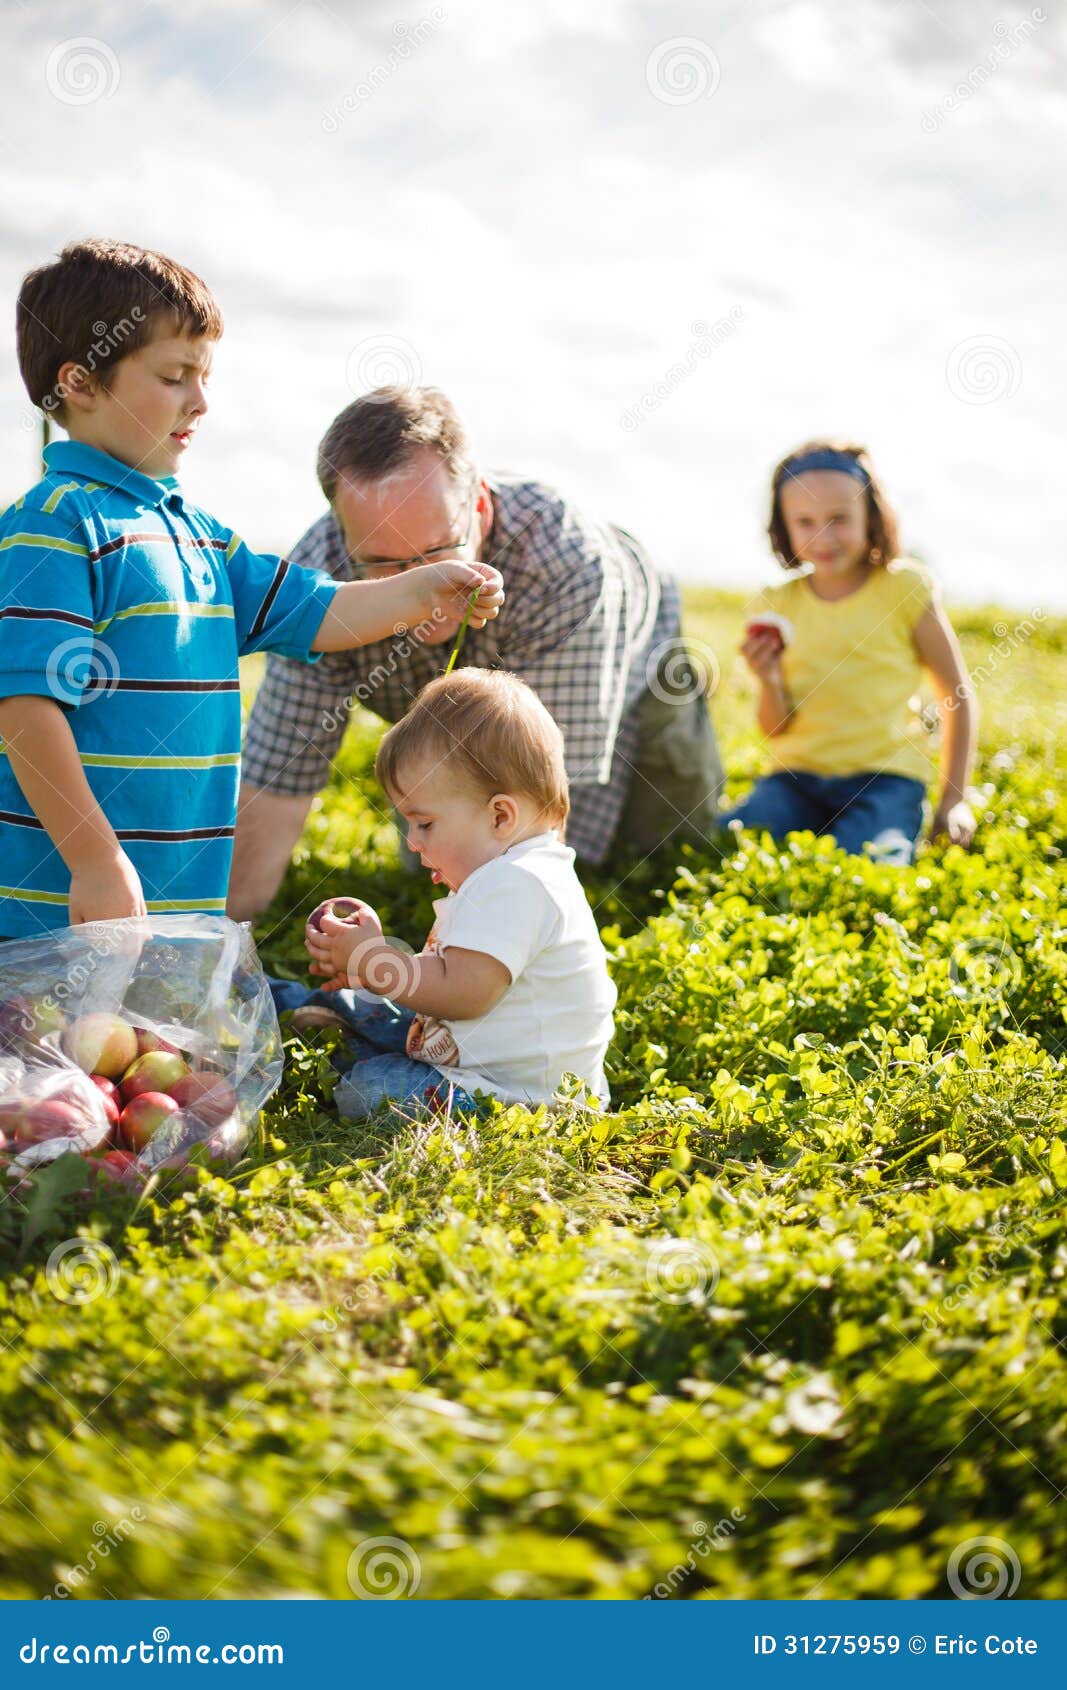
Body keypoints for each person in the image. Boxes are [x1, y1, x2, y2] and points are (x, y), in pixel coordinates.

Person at [0, 241, 502, 940]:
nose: (200, 401)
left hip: (177, 904)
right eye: (176, 376)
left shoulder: (199, 535)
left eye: (203, 377)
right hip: (61, 903)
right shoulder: (54, 524)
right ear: (80, 384)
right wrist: (93, 856)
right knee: (53, 1047)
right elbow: (24, 709)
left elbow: (320, 610)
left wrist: (424, 588)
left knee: (153, 1048)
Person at [228, 386, 723, 920]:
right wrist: (223, 939)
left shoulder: (565, 563)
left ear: (480, 506)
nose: (418, 588)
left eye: (437, 552)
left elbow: (544, 804)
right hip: (445, 703)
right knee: (436, 857)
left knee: (661, 847)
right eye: (382, 564)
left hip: (632, 658)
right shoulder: (320, 578)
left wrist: (486, 955)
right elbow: (276, 778)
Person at [297, 669, 617, 1120]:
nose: (412, 840)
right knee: (366, 1009)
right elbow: (451, 974)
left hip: (516, 1099)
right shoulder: (513, 871)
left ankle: (326, 1044)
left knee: (368, 1088)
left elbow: (465, 993)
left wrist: (374, 962)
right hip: (465, 1053)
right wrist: (371, 966)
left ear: (500, 817)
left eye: (424, 823)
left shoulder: (518, 882)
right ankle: (309, 1012)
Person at [720, 441, 977, 864]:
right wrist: (767, 679)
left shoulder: (905, 589)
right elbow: (774, 728)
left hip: (885, 780)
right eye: (805, 521)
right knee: (733, 848)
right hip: (795, 778)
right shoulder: (775, 604)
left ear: (871, 517)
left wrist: (954, 800)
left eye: (839, 519)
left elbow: (957, 695)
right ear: (784, 528)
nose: (823, 536)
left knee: (872, 861)